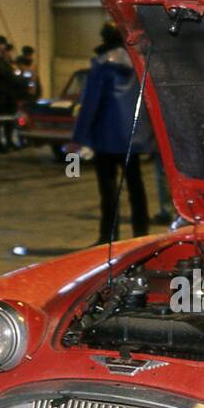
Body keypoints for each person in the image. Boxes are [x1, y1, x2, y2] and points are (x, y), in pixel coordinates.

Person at [70, 22, 151, 244]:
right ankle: (141, 234)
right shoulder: (139, 63)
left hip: (105, 137)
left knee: (108, 190)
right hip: (132, 138)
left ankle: (108, 236)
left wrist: (77, 138)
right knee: (136, 187)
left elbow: (90, 105)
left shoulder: (102, 65)